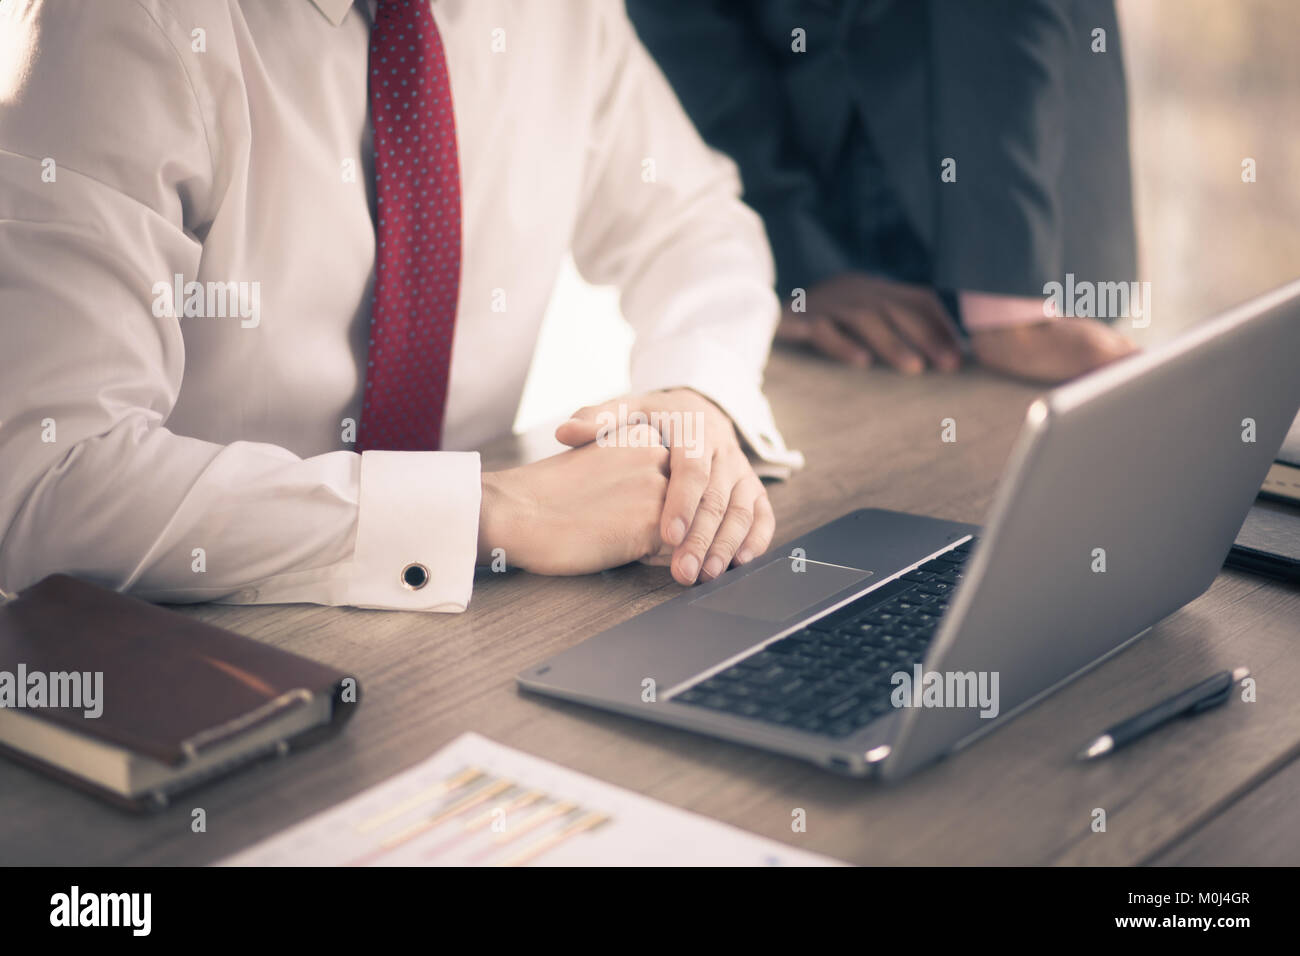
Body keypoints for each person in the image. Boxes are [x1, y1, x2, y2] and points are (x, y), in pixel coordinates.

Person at [0, 0, 804, 611]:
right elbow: (43, 484)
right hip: (203, 647)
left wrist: (690, 401)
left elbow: (693, 224)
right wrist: (493, 512)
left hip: (476, 631)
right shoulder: (120, 24)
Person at [627, 0, 1140, 383]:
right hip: (795, 169)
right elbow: (684, 22)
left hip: (1023, 179)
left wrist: (1008, 298)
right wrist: (796, 256)